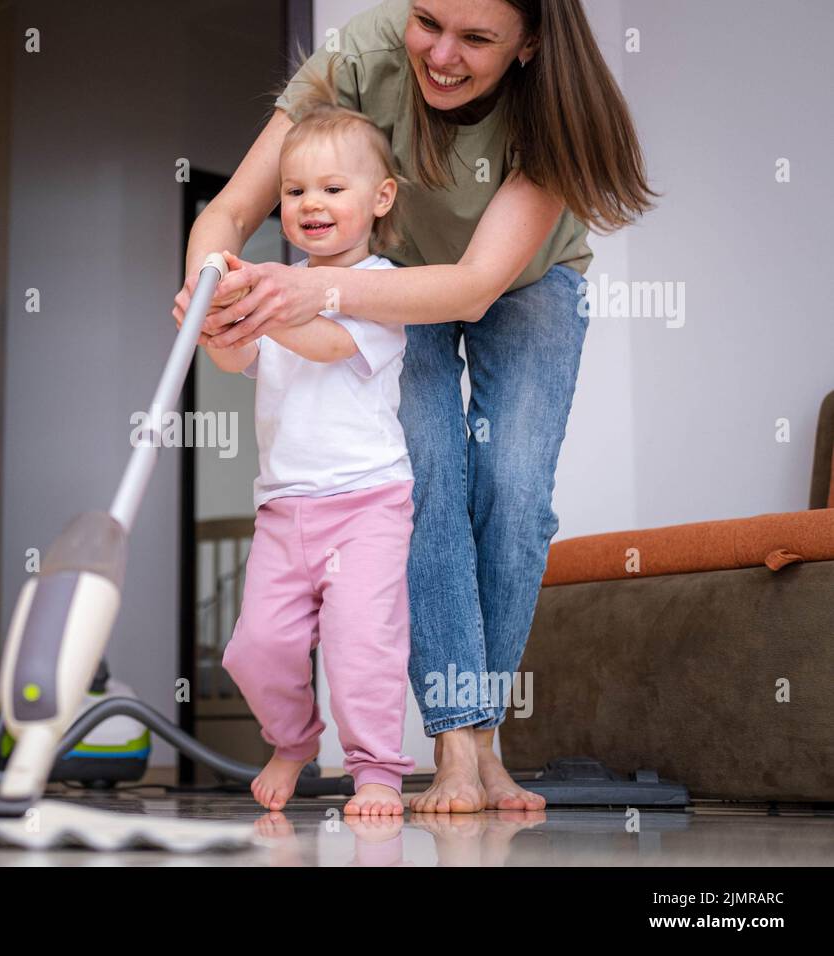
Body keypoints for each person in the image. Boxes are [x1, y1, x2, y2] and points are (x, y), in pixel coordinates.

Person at [174, 0, 655, 813]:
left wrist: (315, 287)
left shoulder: (556, 109)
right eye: (428, 20)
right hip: (392, 282)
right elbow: (227, 212)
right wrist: (208, 290)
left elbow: (472, 289)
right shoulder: (365, 51)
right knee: (424, 471)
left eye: (475, 40)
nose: (439, 54)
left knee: (513, 492)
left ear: (531, 42)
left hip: (523, 281)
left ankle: (483, 738)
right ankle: (453, 744)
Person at [184, 57, 416, 816]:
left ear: (379, 199)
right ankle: (291, 738)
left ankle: (376, 769)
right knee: (255, 649)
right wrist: (213, 318)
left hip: (367, 503)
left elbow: (327, 344)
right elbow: (235, 359)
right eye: (292, 192)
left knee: (360, 649)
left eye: (331, 189)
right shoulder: (278, 288)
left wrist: (266, 301)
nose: (309, 204)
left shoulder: (381, 287)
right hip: (285, 510)